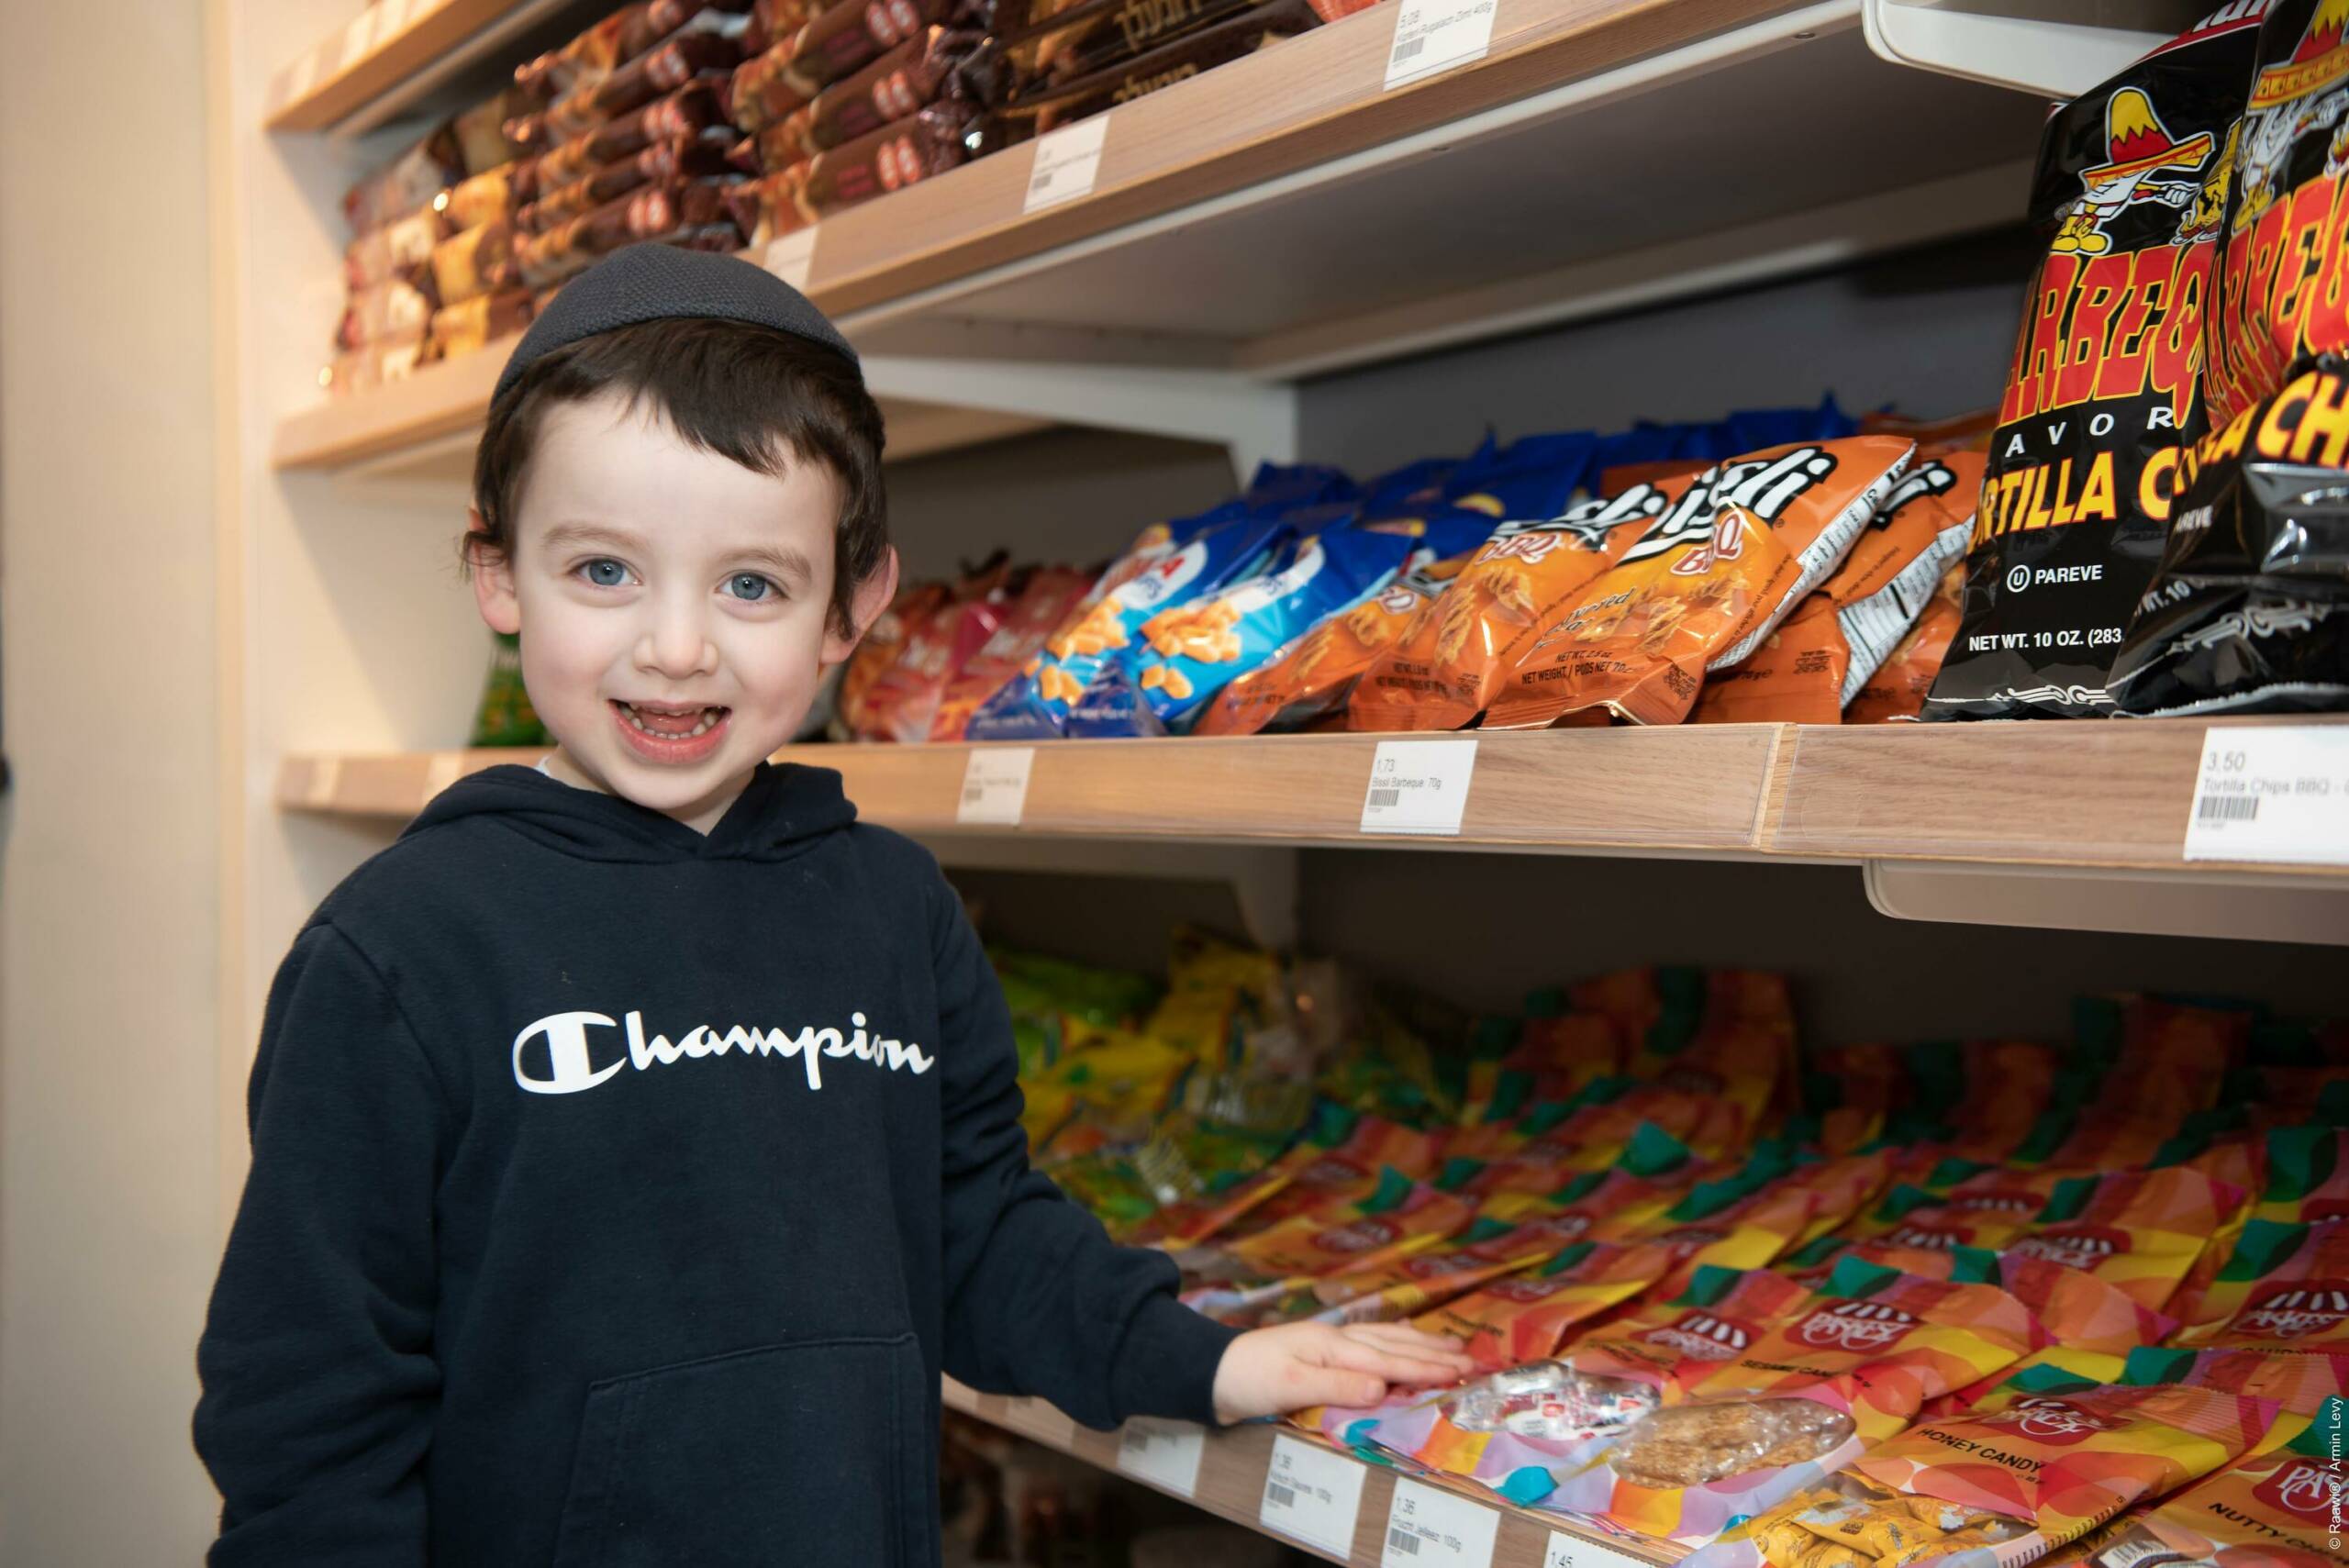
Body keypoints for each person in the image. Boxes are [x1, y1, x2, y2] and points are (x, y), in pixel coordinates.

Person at [194, 243, 1471, 1564]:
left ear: (849, 611)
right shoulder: (399, 951)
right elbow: (309, 1411)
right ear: (498, 575)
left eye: (752, 583)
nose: (677, 645)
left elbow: (974, 1230)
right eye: (604, 572)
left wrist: (1204, 1358)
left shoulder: (896, 909)